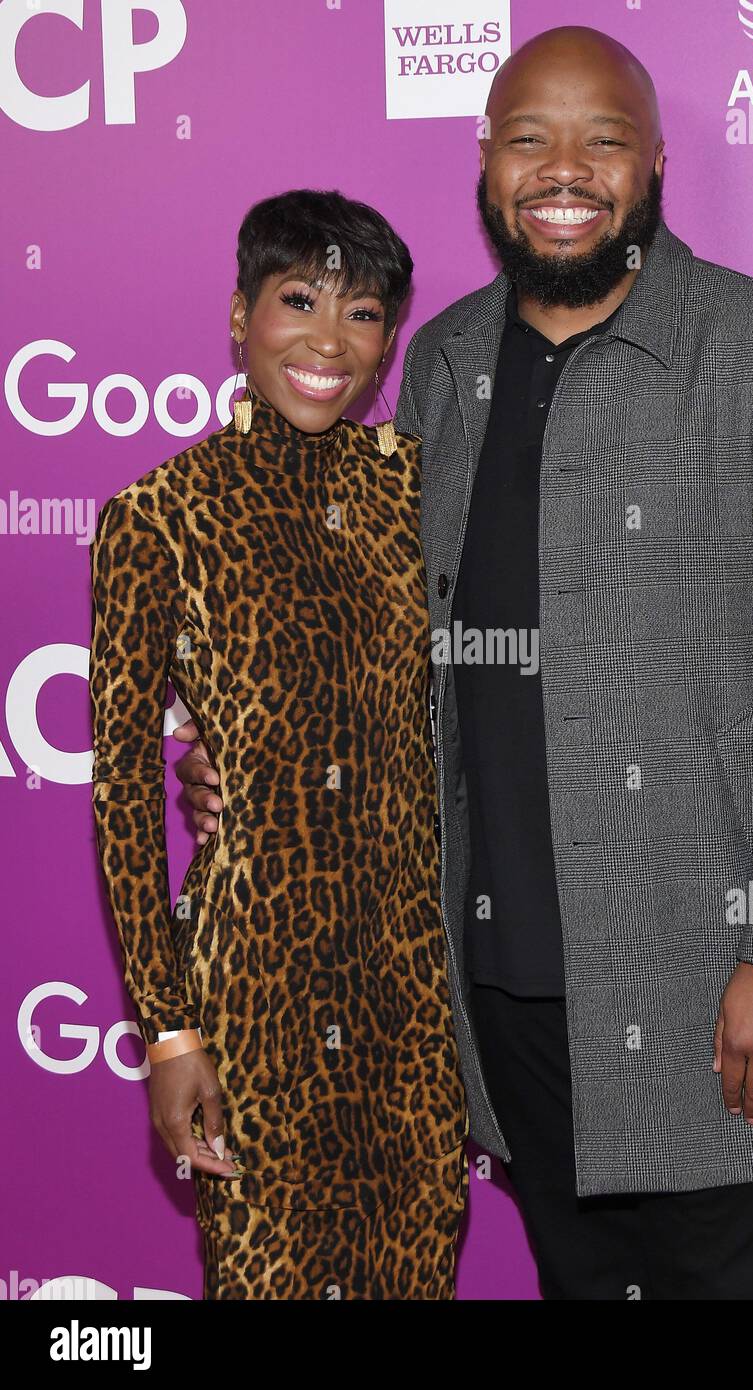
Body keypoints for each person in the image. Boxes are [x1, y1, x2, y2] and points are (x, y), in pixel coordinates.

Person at [176, 28, 753, 1300]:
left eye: (603, 141)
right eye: (529, 140)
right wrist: (265, 765)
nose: (566, 170)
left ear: (654, 164)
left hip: (713, 986)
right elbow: (402, 653)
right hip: (502, 995)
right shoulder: (443, 364)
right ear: (487, 166)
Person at [88, 188, 467, 1300]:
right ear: (239, 315)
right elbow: (118, 793)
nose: (326, 340)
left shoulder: (416, 489)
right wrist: (168, 1034)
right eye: (298, 300)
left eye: (361, 314)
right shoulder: (157, 515)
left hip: (413, 992)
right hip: (255, 993)